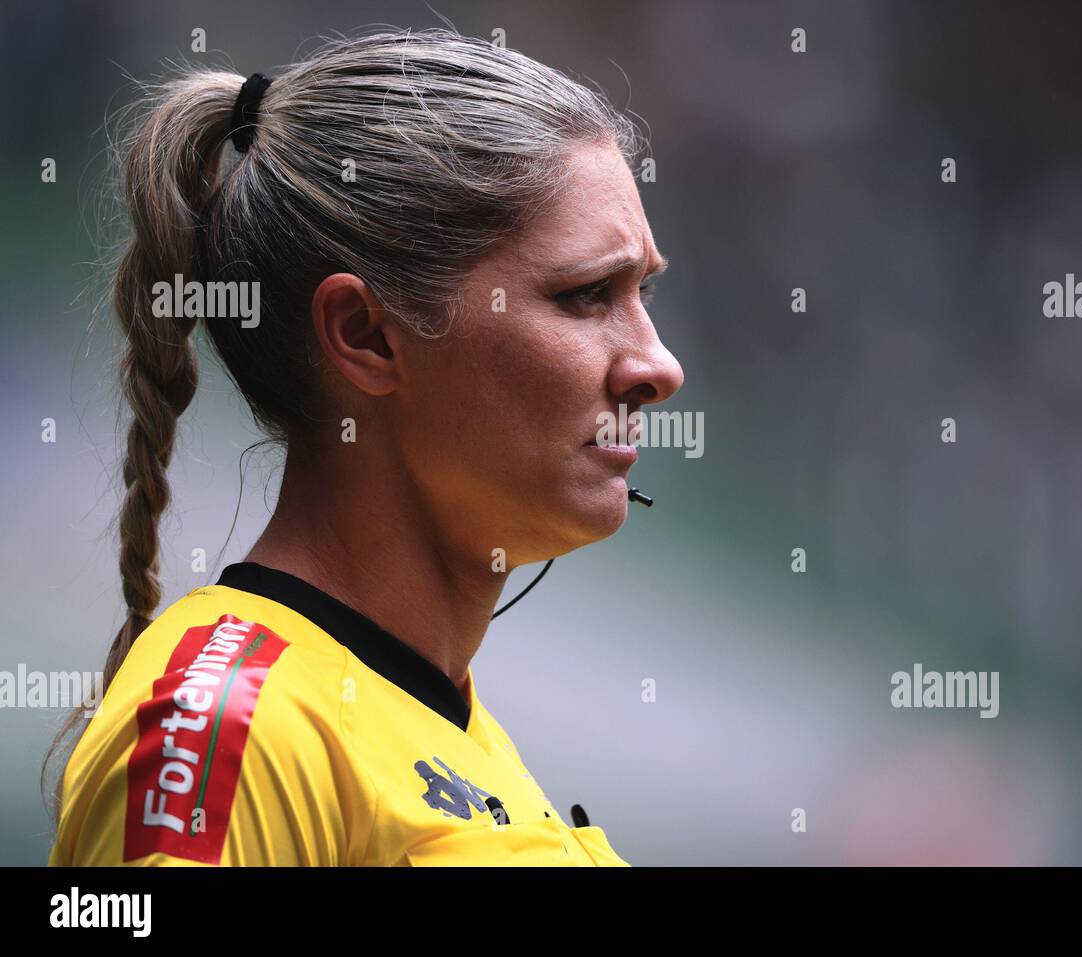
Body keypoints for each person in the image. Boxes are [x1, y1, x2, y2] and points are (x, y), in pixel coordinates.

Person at [45, 28, 683, 866]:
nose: (659, 366)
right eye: (585, 294)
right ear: (365, 335)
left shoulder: (448, 728)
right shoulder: (223, 728)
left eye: (641, 292)